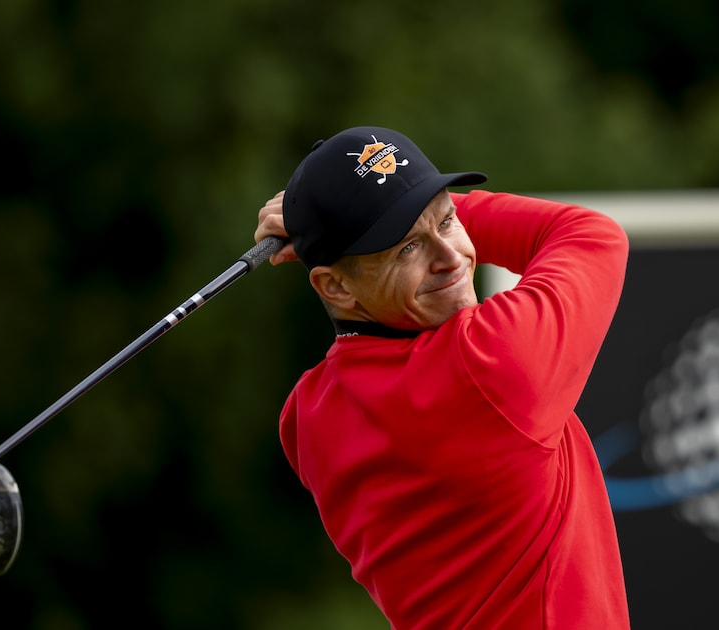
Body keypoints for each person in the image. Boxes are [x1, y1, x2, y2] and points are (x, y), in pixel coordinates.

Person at [254, 126, 631, 629]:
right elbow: (592, 236)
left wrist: (340, 227)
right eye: (407, 248)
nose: (451, 258)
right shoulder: (490, 361)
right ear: (335, 286)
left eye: (448, 221)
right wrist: (443, 209)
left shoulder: (306, 417)